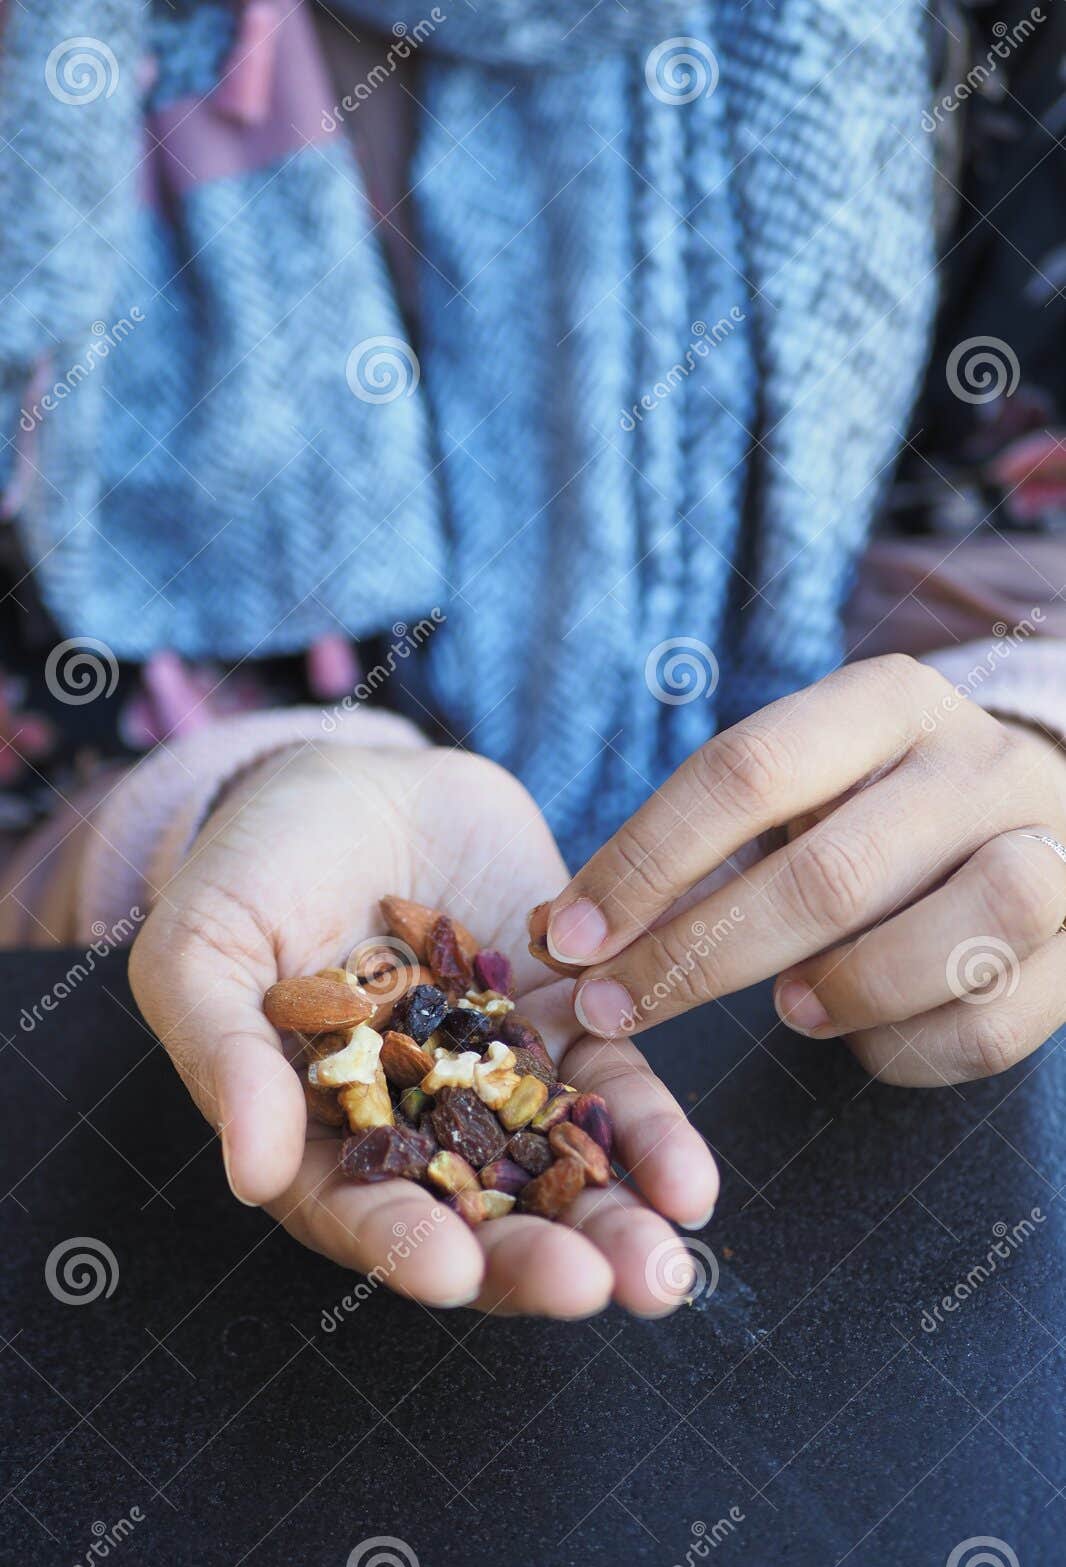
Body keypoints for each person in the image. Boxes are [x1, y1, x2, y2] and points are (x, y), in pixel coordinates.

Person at [1, 1, 1063, 1319]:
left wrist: (1028, 739)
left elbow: (1018, 521)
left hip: (861, 1163)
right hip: (150, 1208)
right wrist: (203, 817)